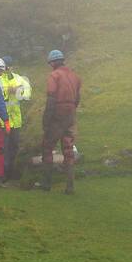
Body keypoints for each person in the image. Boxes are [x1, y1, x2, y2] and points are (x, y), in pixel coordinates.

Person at [40, 49, 81, 194]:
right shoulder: (75, 76)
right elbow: (77, 99)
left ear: (52, 62)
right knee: (68, 150)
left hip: (57, 114)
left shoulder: (54, 75)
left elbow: (51, 98)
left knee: (47, 147)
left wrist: (46, 120)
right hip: (70, 114)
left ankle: (46, 184)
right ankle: (70, 187)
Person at [0, 57, 32, 180]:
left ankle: (11, 172)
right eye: (6, 66)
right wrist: (8, 91)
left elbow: (28, 94)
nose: (8, 68)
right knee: (4, 147)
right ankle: (2, 174)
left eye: (10, 66)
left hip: (16, 121)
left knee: (14, 146)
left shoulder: (19, 79)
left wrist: (19, 92)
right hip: (4, 121)